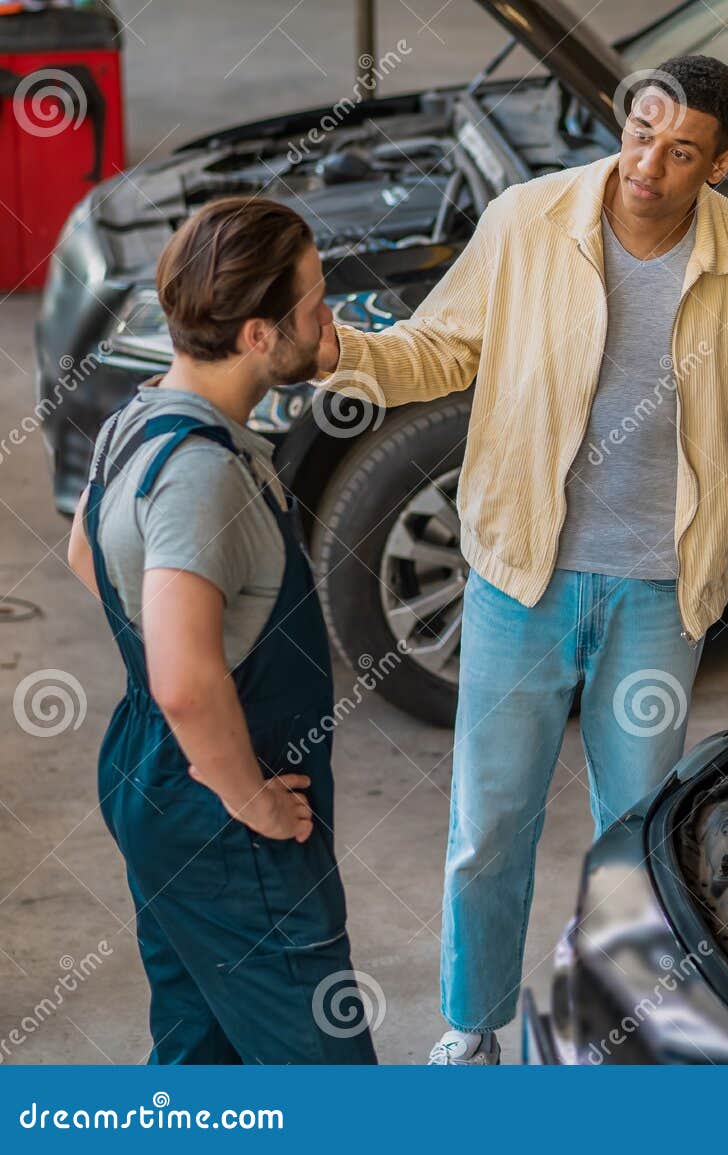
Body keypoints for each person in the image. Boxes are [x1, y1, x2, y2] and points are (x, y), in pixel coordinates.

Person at [313, 55, 728, 1065]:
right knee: (489, 825)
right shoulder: (529, 222)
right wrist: (347, 355)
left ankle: (611, 1029)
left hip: (660, 593)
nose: (647, 165)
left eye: (679, 152)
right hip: (520, 577)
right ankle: (473, 1024)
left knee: (638, 834)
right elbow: (441, 350)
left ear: (718, 164)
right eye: (640, 135)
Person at [66, 197, 376, 1064]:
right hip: (225, 821)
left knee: (200, 1045)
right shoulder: (206, 477)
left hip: (153, 778)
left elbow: (85, 551)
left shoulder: (141, 416)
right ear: (257, 334)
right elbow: (184, 682)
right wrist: (252, 801)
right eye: (314, 301)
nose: (329, 317)